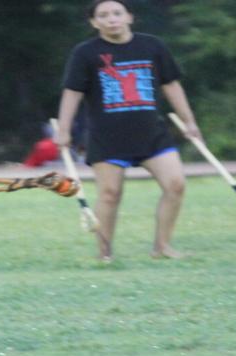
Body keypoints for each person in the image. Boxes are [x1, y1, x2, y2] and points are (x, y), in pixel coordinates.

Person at [56, 0, 200, 261]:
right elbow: (72, 92)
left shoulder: (152, 46)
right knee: (110, 195)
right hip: (107, 136)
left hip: (152, 134)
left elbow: (172, 85)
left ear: (129, 17)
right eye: (103, 15)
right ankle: (104, 254)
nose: (111, 19)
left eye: (117, 13)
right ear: (94, 22)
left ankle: (162, 247)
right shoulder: (85, 52)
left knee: (176, 185)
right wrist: (64, 129)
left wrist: (189, 121)